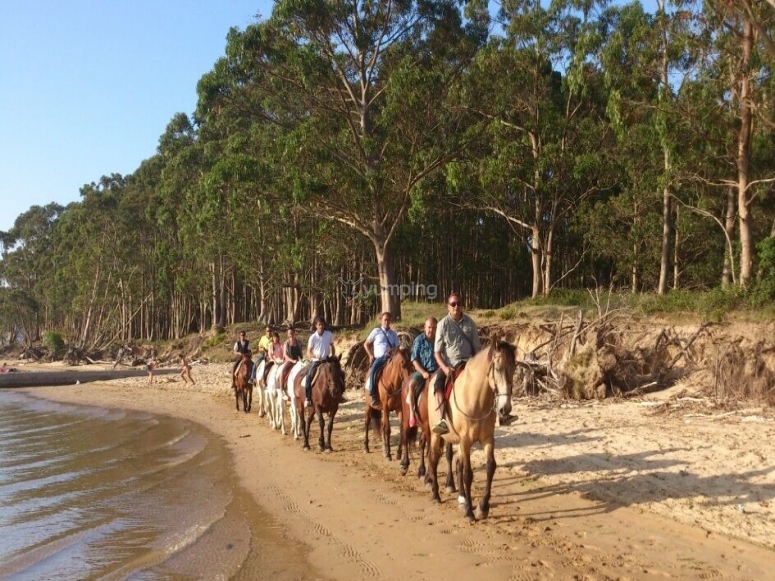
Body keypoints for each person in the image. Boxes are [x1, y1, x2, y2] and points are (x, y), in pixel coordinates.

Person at [432, 293, 480, 435]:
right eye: (453, 304)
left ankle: (497, 414)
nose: (456, 306)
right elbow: (437, 353)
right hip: (450, 365)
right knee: (438, 386)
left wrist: (477, 365)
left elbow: (477, 349)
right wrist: (445, 368)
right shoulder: (442, 325)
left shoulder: (470, 323)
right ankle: (442, 420)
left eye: (458, 303)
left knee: (488, 382)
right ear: (448, 306)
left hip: (468, 364)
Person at [364, 312, 400, 407]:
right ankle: (373, 393)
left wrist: (392, 351)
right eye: (385, 320)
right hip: (379, 358)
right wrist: (370, 355)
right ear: (381, 321)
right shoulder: (376, 331)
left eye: (388, 320)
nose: (387, 322)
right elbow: (366, 344)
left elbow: (397, 348)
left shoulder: (393, 334)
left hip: (391, 358)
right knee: (373, 371)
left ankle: (400, 393)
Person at [407, 317, 438, 427]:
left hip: (437, 371)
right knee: (411, 385)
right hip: (422, 371)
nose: (431, 330)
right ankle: (412, 414)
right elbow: (414, 360)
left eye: (433, 327)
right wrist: (423, 372)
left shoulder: (439, 339)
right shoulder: (419, 340)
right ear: (424, 327)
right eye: (429, 327)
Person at [304, 317, 336, 407]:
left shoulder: (329, 334)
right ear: (316, 326)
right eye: (319, 324)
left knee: (337, 374)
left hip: (327, 360)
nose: (321, 326)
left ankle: (339, 395)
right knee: (309, 376)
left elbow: (332, 346)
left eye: (322, 324)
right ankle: (308, 398)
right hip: (316, 361)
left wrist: (332, 355)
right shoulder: (312, 337)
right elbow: (308, 352)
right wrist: (315, 356)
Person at [280, 328, 304, 397]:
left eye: (292, 333)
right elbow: (285, 355)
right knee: (282, 371)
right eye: (289, 333)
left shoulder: (298, 342)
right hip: (289, 361)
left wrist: (301, 360)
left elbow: (300, 353)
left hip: (298, 360)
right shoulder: (286, 343)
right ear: (288, 334)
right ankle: (282, 389)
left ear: (294, 333)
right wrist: (292, 361)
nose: (291, 334)